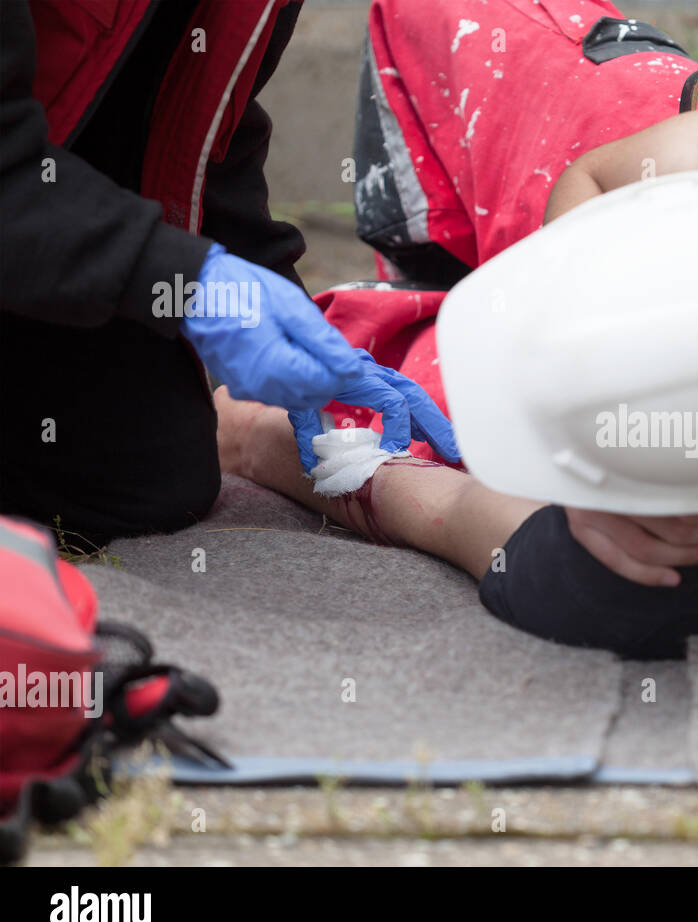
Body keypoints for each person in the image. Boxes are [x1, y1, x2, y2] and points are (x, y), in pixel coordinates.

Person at [214, 0, 698, 658]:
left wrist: (249, 436)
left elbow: (443, 509)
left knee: (364, 403)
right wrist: (573, 293)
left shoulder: (664, 576)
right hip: (648, 201)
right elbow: (591, 173)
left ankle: (422, 305)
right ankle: (450, 257)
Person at [0, 0, 456, 552]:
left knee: (153, 481)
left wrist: (292, 313)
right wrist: (176, 274)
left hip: (55, 227)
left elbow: (207, 136)